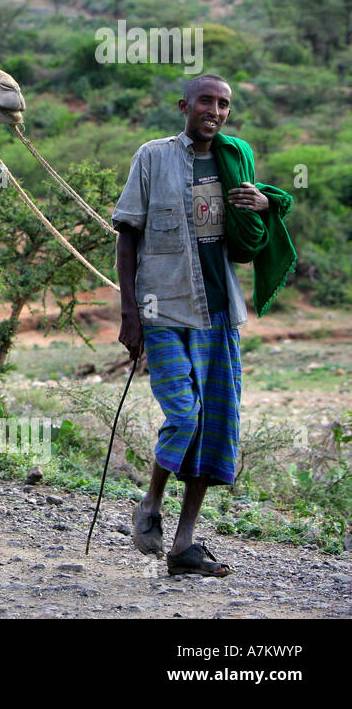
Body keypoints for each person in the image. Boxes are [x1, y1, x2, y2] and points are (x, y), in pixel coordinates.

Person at [112, 73, 294, 577]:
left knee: (214, 427)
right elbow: (127, 237)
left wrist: (262, 206)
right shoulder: (152, 157)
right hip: (163, 308)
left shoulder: (237, 160)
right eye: (207, 101)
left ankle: (184, 545)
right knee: (186, 415)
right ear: (184, 106)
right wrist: (130, 313)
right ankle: (150, 504)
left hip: (219, 312)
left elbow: (247, 242)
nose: (216, 110)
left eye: (224, 103)